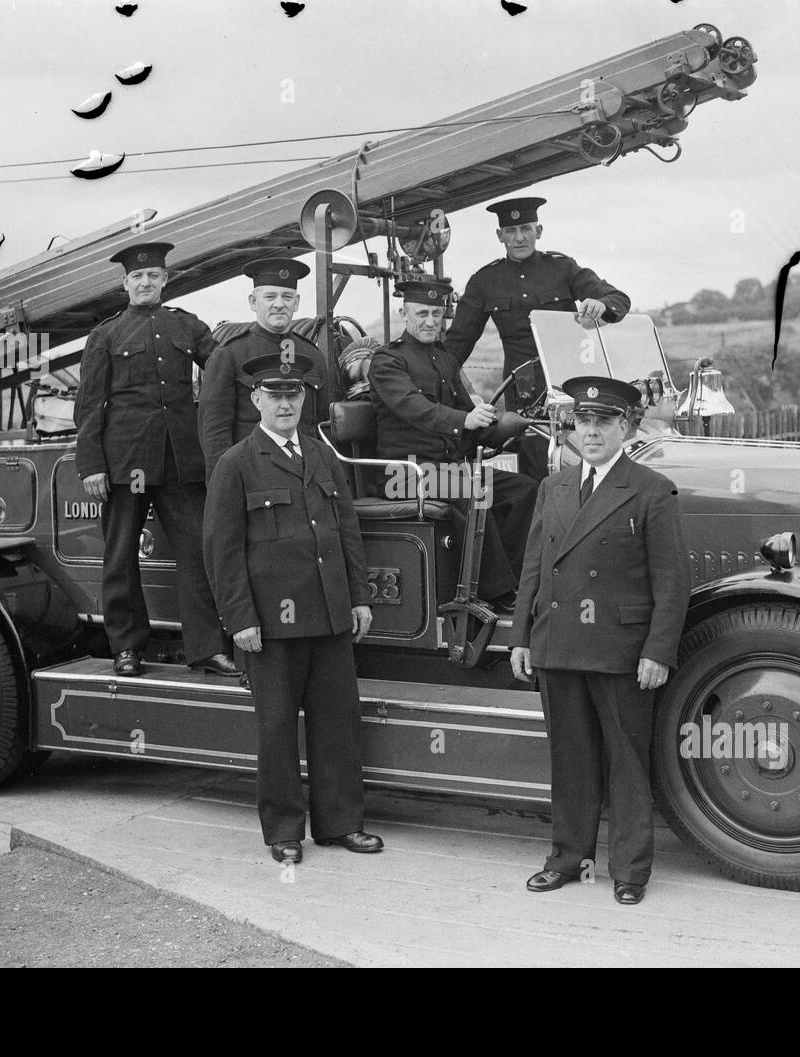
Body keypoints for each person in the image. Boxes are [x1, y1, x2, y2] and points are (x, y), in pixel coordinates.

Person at [511, 376, 690, 906]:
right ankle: (567, 858)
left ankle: (630, 872)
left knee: (626, 763)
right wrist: (521, 637)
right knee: (570, 758)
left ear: (626, 427)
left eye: (603, 422)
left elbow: (671, 580)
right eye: (582, 422)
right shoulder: (555, 487)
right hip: (558, 644)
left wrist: (658, 651)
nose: (590, 432)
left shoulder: (651, 489)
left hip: (621, 652)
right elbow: (534, 569)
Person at [204, 352, 383, 864]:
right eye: (275, 396)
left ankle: (341, 824)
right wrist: (239, 621)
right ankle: (284, 831)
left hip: (328, 614)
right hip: (271, 626)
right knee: (277, 729)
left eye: (294, 395)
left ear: (305, 399)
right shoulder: (236, 462)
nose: (285, 404)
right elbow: (222, 551)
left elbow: (345, 530)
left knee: (337, 724)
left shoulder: (323, 456)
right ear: (255, 399)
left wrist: (359, 598)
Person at [73, 241, 236, 678]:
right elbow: (89, 405)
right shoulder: (105, 335)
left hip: (183, 462)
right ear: (124, 283)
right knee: (121, 556)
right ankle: (126, 648)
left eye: (153, 276)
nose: (145, 282)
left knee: (199, 553)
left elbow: (222, 367)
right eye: (137, 277)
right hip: (127, 465)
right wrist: (91, 465)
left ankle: (206, 648)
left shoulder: (187, 327)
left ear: (166, 280)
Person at [368, 277, 536, 607]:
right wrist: (465, 420)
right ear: (405, 313)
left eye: (436, 313)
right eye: (421, 313)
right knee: (473, 492)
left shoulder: (444, 360)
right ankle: (495, 593)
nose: (430, 321)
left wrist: (498, 425)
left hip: (449, 471)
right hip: (404, 474)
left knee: (524, 490)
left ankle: (517, 583)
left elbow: (465, 413)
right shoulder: (388, 361)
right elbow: (414, 408)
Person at [443, 196, 631, 482]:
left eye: (527, 229)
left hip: (571, 390)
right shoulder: (485, 282)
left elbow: (618, 298)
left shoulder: (563, 269)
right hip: (524, 398)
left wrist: (601, 305)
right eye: (511, 231)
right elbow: (456, 346)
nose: (519, 238)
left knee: (585, 467)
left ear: (538, 231)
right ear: (500, 236)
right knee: (536, 474)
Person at [199, 257, 328, 476]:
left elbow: (323, 426)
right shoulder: (229, 355)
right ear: (253, 301)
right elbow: (214, 433)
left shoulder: (312, 356)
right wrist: (224, 485)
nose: (279, 304)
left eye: (287, 297)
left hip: (305, 474)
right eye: (270, 296)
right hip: (254, 475)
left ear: (296, 303)